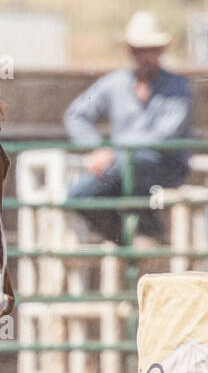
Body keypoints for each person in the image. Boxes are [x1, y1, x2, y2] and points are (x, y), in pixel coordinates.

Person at [63, 12, 192, 245]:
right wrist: (96, 147)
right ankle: (131, 239)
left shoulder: (177, 87)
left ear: (160, 51)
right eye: (138, 50)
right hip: (121, 167)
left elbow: (165, 136)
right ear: (131, 52)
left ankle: (146, 235)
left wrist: (112, 150)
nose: (144, 57)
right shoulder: (114, 84)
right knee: (78, 196)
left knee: (125, 170)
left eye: (150, 50)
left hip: (163, 165)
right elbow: (76, 114)